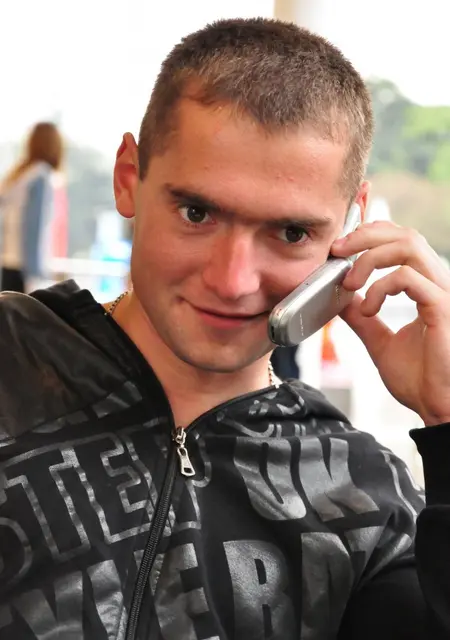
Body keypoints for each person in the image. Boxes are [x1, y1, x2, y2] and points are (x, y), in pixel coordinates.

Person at [0, 18, 450, 640]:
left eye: (291, 232)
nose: (234, 281)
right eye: (197, 212)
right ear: (129, 178)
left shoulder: (362, 494)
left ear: (352, 227)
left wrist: (449, 419)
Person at [0, 122, 66, 292]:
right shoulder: (41, 177)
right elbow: (33, 226)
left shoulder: (18, 176)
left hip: (8, 261)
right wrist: (34, 274)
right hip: (25, 267)